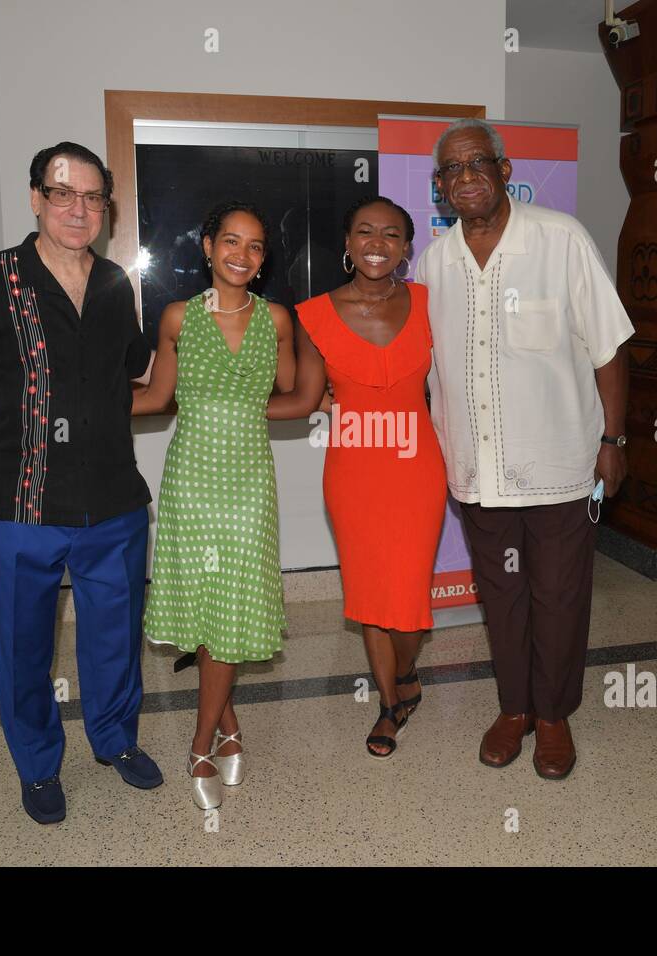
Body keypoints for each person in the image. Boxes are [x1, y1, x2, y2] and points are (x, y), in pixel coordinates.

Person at [0, 141, 162, 825]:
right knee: (25, 644)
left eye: (93, 197)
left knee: (115, 635)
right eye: (63, 193)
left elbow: (141, 373)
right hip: (18, 505)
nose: (78, 209)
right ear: (37, 199)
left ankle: (116, 741)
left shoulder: (118, 285)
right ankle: (37, 767)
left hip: (114, 501)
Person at [415, 118, 635, 779]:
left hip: (561, 468)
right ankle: (514, 708)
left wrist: (614, 440)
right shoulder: (434, 265)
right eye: (451, 170)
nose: (466, 177)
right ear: (440, 188)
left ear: (506, 171)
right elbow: (425, 371)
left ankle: (553, 715)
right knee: (502, 596)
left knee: (560, 596)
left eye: (478, 162)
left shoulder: (561, 240)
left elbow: (609, 347)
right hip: (478, 474)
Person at [267, 196, 445, 759]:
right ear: (347, 244)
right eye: (365, 232)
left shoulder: (429, 303)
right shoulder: (314, 314)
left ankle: (408, 669)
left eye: (391, 234)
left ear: (407, 248)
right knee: (369, 596)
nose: (377, 242)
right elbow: (302, 399)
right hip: (354, 472)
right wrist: (228, 403)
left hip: (418, 467)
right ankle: (390, 705)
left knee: (410, 600)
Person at [132, 201, 295, 809]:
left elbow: (293, 392)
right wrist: (83, 405)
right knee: (206, 603)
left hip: (250, 480)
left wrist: (332, 395)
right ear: (207, 246)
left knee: (235, 598)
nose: (242, 255)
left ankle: (201, 740)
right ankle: (225, 731)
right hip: (192, 479)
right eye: (231, 241)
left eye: (255, 246)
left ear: (263, 259)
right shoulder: (177, 316)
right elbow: (156, 398)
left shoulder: (277, 319)